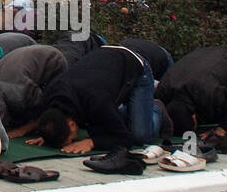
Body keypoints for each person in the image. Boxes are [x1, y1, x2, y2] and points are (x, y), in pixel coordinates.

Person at [24, 45, 163, 154]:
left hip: (135, 65)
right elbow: (52, 119)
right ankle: (132, 109)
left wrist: (92, 142)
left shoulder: (96, 100)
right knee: (111, 117)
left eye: (72, 139)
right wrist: (49, 135)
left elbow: (125, 139)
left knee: (140, 136)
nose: (73, 141)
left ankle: (156, 109)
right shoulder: (51, 96)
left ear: (72, 124)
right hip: (103, 63)